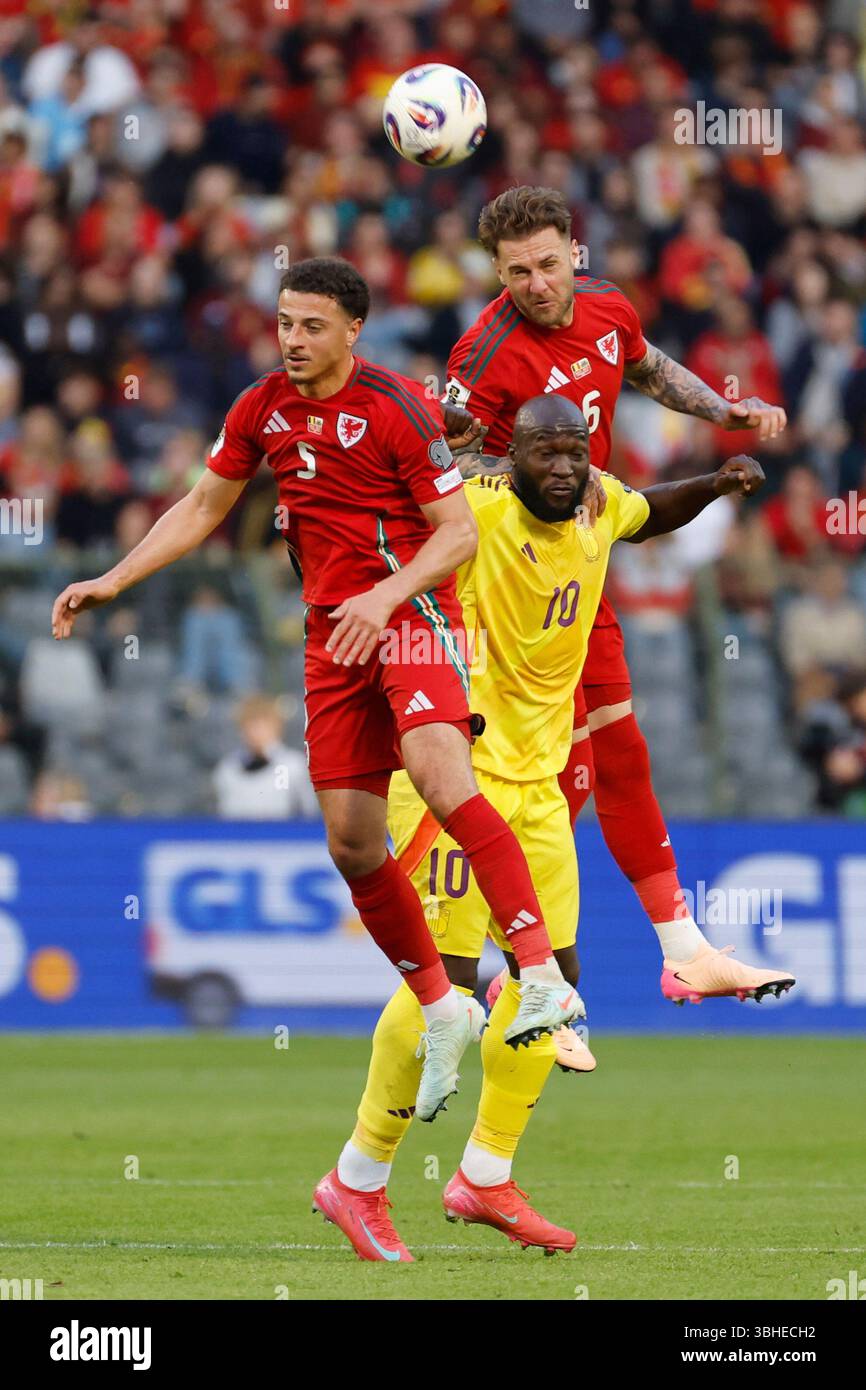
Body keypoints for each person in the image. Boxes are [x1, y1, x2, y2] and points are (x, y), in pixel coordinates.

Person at [50, 256, 581, 1123]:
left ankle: (543, 977)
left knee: (446, 781)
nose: (293, 340)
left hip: (410, 620)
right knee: (351, 844)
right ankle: (445, 1007)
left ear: (352, 330)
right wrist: (116, 578)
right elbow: (202, 505)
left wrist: (384, 595)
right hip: (332, 640)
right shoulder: (262, 407)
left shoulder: (398, 407)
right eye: (286, 323)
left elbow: (454, 539)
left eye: (311, 326)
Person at [313, 395, 794, 1262]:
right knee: (448, 993)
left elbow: (652, 515)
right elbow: (403, 507)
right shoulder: (479, 510)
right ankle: (357, 1178)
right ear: (517, 454)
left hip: (537, 796)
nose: (565, 466)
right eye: (547, 451)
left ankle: (485, 1176)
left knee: (556, 995)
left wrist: (718, 484)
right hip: (458, 783)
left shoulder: (601, 504)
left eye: (575, 451)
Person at [444, 185, 789, 1006]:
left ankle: (673, 951)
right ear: (496, 272)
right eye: (516, 271)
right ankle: (511, 972)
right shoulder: (479, 359)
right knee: (533, 774)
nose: (535, 284)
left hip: (578, 565)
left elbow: (641, 365)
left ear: (575, 252)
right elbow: (442, 471)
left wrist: (722, 408)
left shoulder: (605, 306)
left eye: (548, 264)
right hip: (507, 586)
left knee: (611, 755)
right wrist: (557, 475)